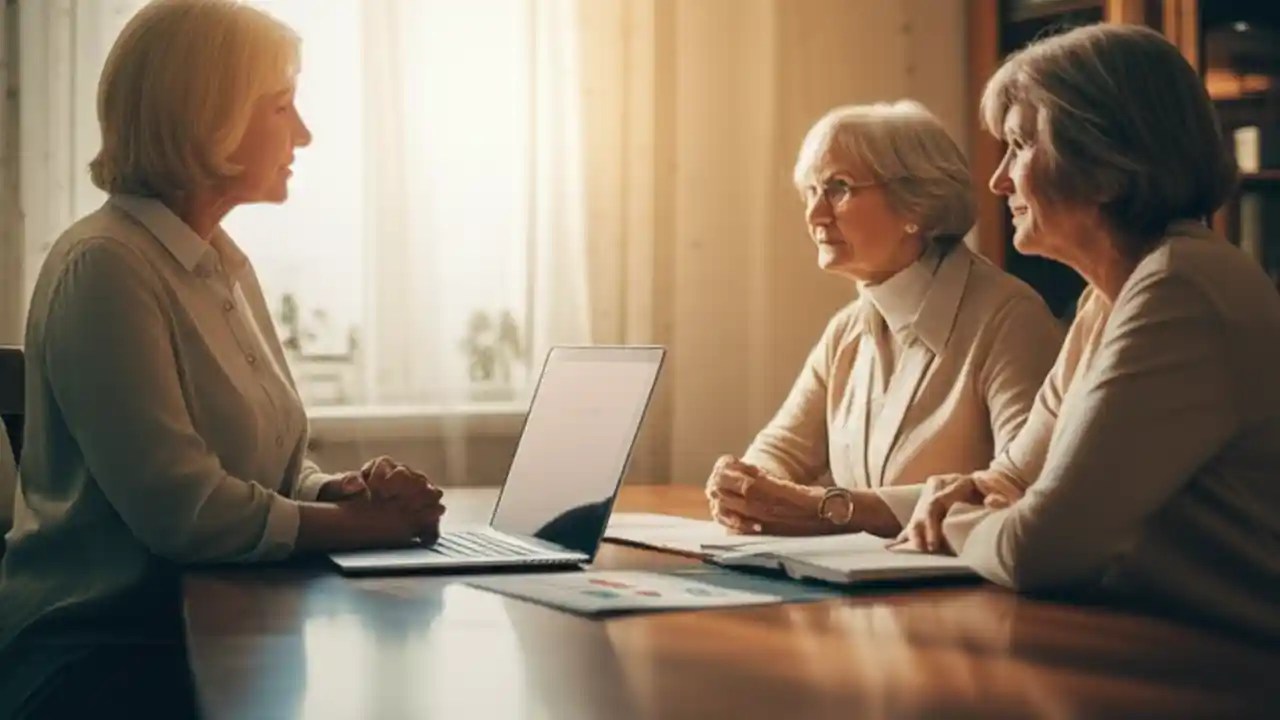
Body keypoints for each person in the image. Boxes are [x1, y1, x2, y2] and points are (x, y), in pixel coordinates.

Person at [0, 1, 445, 715]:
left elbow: (260, 469)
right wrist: (365, 528)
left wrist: (337, 492)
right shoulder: (105, 267)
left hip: (196, 624)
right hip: (98, 653)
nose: (303, 133)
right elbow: (186, 511)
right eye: (282, 107)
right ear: (210, 116)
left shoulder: (218, 265)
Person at [895, 23, 1280, 642]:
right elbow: (1012, 480)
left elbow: (1036, 550)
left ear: (1107, 169)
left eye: (1019, 146)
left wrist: (956, 520)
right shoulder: (1108, 300)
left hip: (1237, 668)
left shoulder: (1181, 288)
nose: (997, 181)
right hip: (1158, 646)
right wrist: (975, 497)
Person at [705, 101, 1062, 538]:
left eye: (838, 188)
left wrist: (833, 508)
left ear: (916, 205)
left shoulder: (1009, 317)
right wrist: (742, 487)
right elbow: (781, 450)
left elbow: (1020, 491)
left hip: (966, 596)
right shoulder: (847, 329)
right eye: (811, 191)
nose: (815, 214)